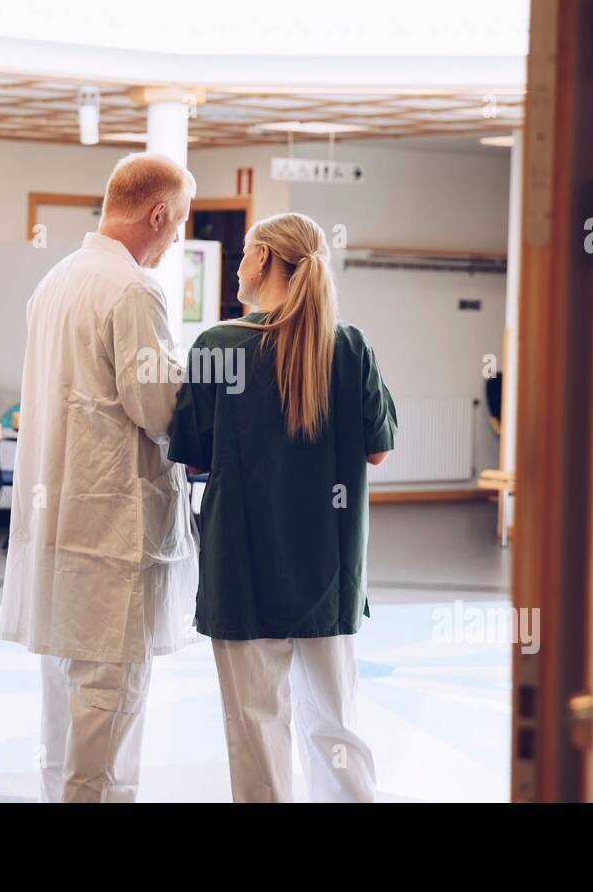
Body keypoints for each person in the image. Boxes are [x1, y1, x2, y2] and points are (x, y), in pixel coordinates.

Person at [168, 212, 397, 803]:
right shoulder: (350, 346)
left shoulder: (219, 346)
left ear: (265, 256)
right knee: (338, 726)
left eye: (244, 253)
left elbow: (193, 455)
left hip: (243, 574)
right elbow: (377, 451)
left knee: (256, 731)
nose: (238, 266)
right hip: (329, 575)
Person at [0, 152, 199, 803]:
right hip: (111, 532)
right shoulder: (134, 289)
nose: (175, 243)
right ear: (158, 212)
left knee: (64, 701)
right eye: (178, 226)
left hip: (59, 529)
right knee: (108, 711)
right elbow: (155, 406)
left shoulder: (55, 280)